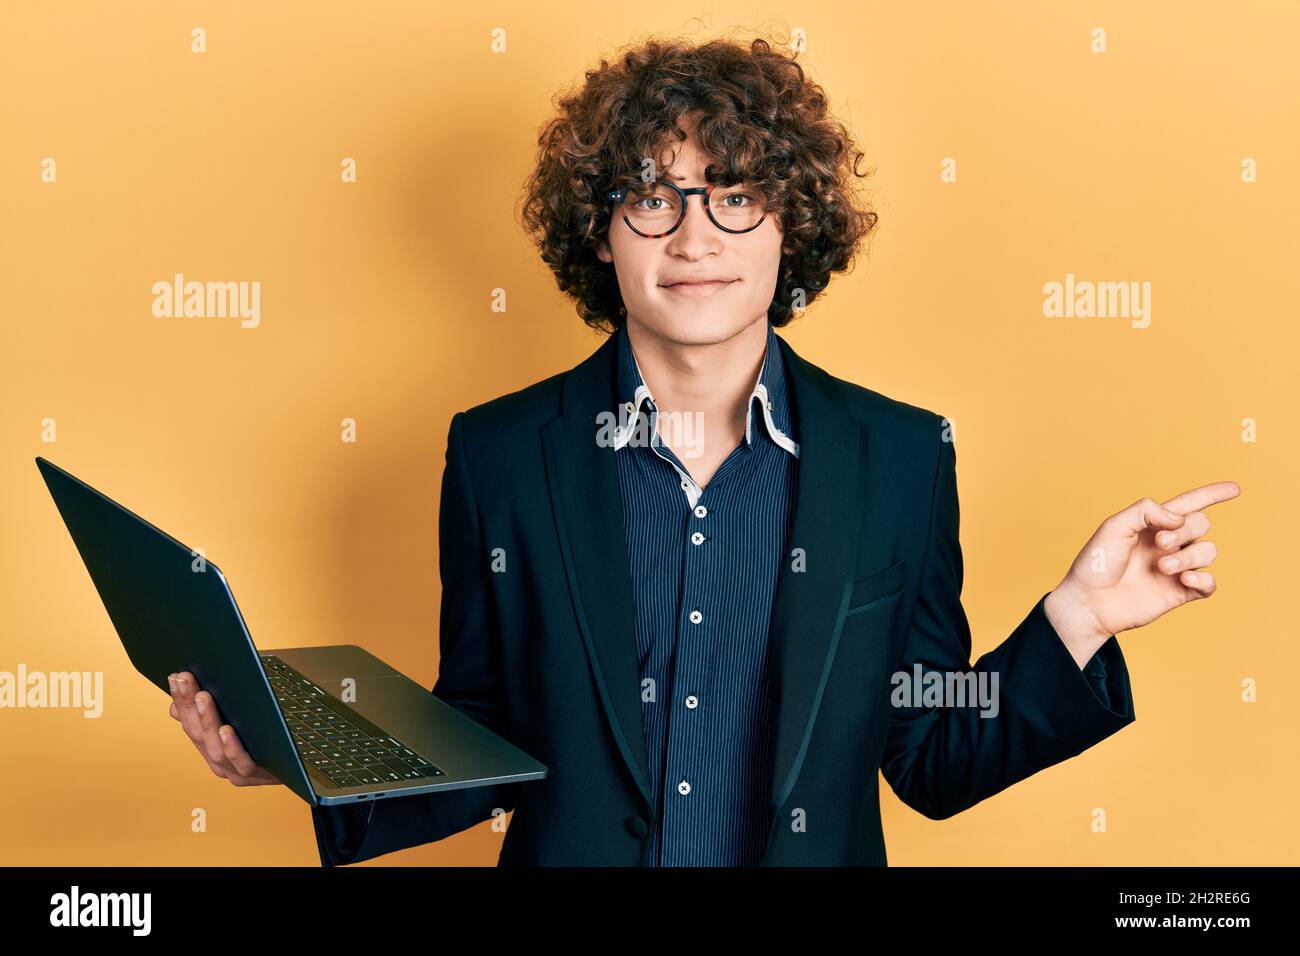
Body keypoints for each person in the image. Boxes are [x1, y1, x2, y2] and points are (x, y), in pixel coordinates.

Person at [165, 35, 1239, 866]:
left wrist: (1079, 619)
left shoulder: (902, 455)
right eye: (651, 196)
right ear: (598, 227)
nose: (693, 237)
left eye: (735, 196)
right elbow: (488, 729)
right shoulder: (497, 453)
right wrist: (298, 760)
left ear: (790, 225)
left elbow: (923, 741)